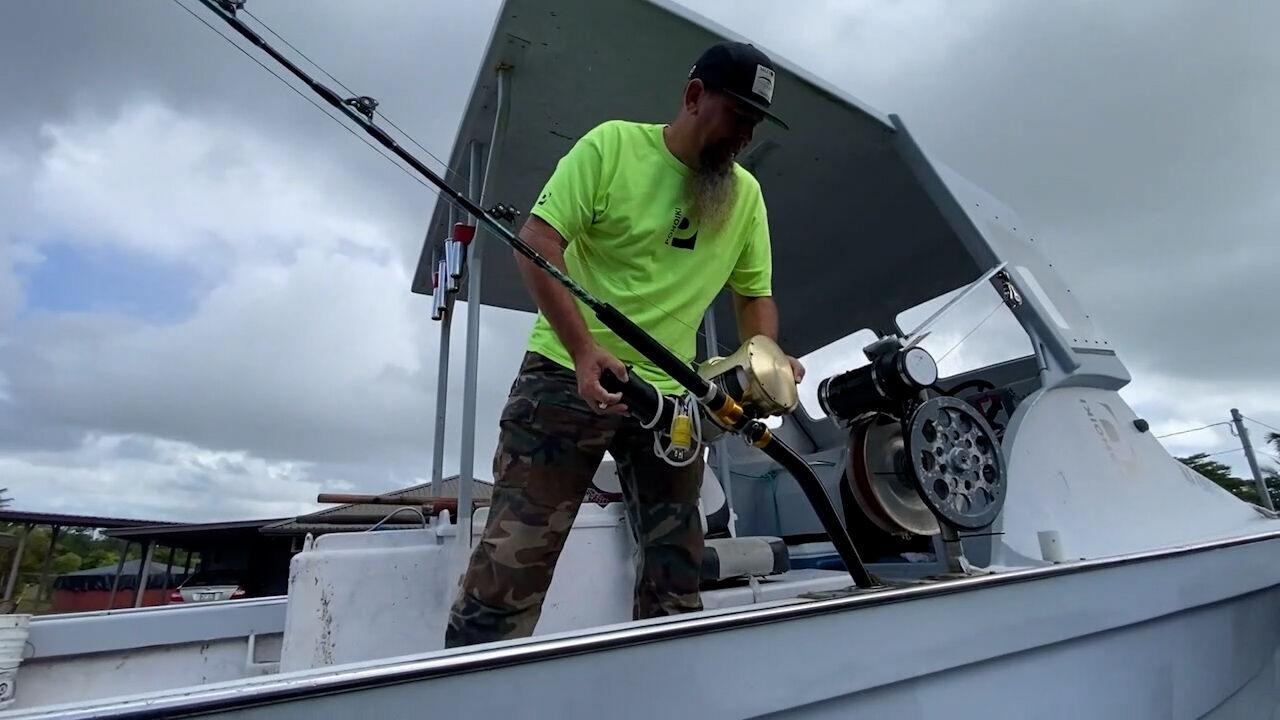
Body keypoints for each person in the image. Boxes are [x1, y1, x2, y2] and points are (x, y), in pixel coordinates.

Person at [445, 41, 805, 648]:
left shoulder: (745, 196)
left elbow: (753, 295)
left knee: (677, 575)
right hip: (565, 376)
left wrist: (764, 360)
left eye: (754, 122)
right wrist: (584, 351)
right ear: (693, 97)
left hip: (670, 403)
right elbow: (536, 242)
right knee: (510, 573)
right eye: (735, 115)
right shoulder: (611, 146)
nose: (744, 134)